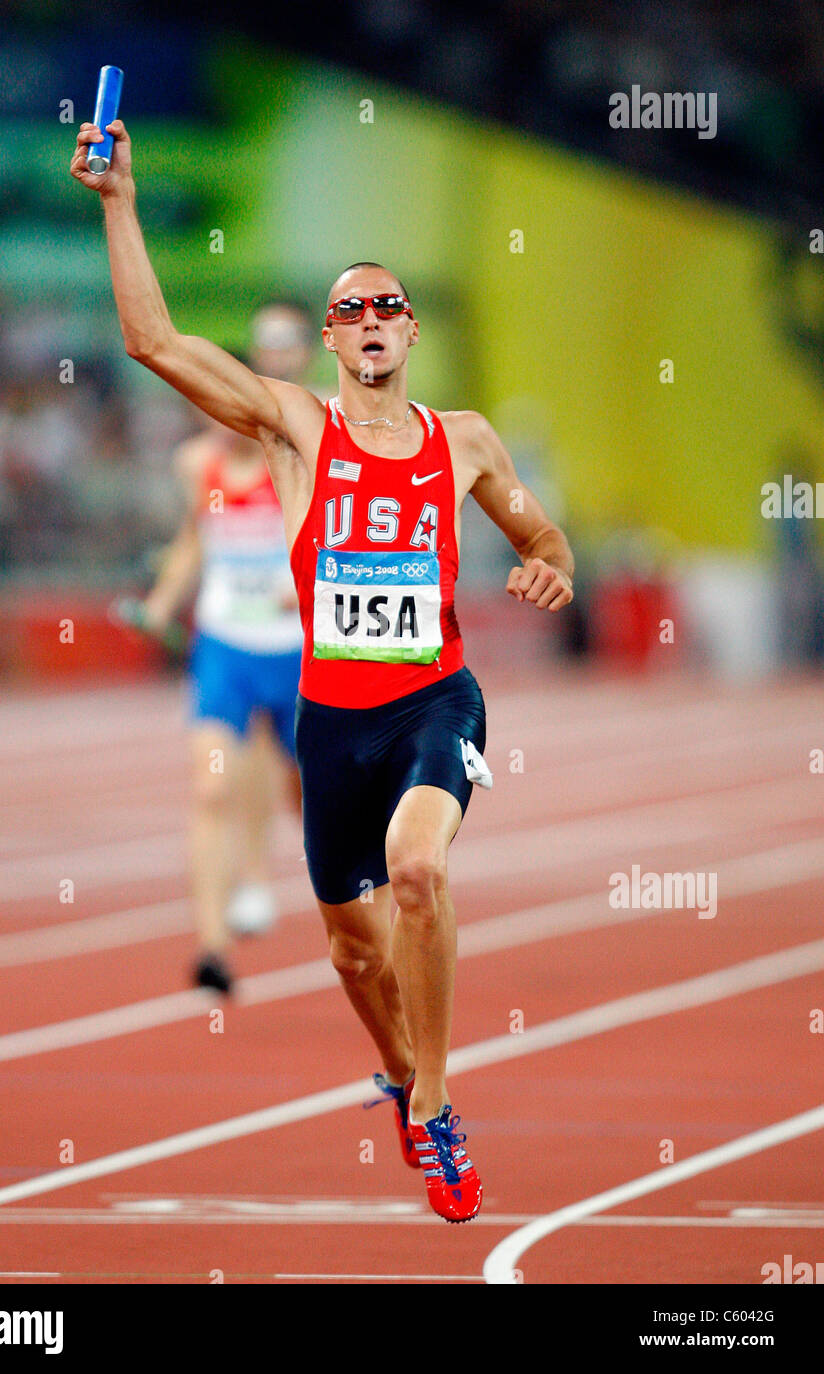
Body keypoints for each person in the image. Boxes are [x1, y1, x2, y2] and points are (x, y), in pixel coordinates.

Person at [71, 118, 574, 1224]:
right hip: (330, 718)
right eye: (352, 307)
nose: (373, 319)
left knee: (420, 872)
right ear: (337, 344)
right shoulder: (295, 428)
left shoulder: (469, 440)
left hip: (434, 701)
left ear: (409, 333)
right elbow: (153, 340)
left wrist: (549, 563)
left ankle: (435, 1101)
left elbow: (543, 540)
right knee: (354, 953)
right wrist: (120, 204)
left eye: (390, 303)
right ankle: (401, 1071)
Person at [140, 308, 318, 995]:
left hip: (303, 654)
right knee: (214, 785)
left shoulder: (308, 450)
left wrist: (308, 588)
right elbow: (193, 542)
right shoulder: (198, 465)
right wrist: (161, 601)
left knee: (311, 795)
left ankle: (351, 915)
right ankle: (213, 947)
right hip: (225, 652)